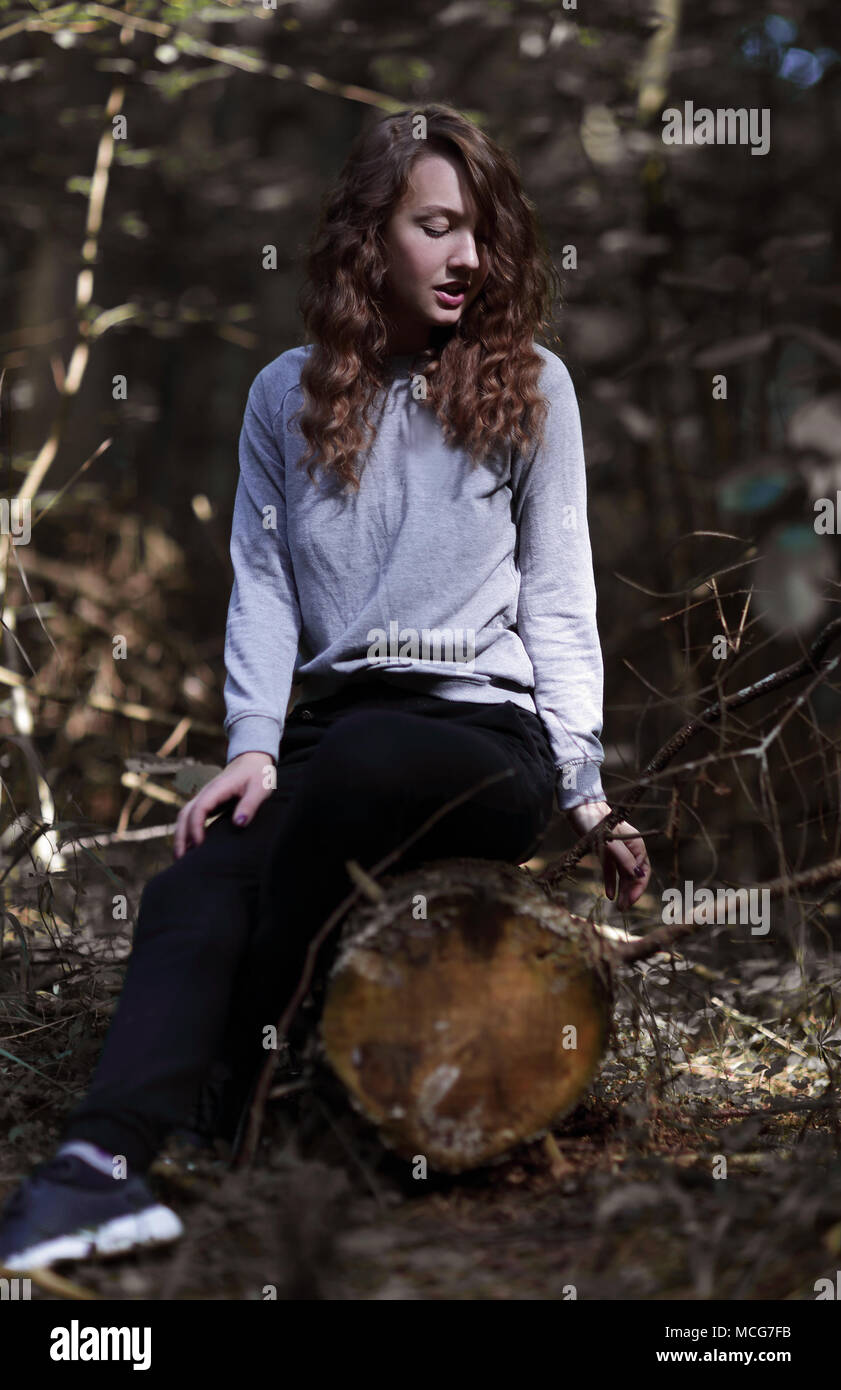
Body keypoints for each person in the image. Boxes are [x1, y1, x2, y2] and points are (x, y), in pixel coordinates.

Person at [0, 103, 649, 1271]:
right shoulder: (282, 399)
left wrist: (588, 786)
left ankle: (237, 1100)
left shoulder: (533, 387)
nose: (469, 257)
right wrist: (250, 743)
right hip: (330, 741)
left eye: (483, 232)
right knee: (192, 882)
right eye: (437, 227)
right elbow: (261, 587)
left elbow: (559, 598)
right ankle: (94, 1167)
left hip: (481, 744)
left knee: (359, 769)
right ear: (369, 238)